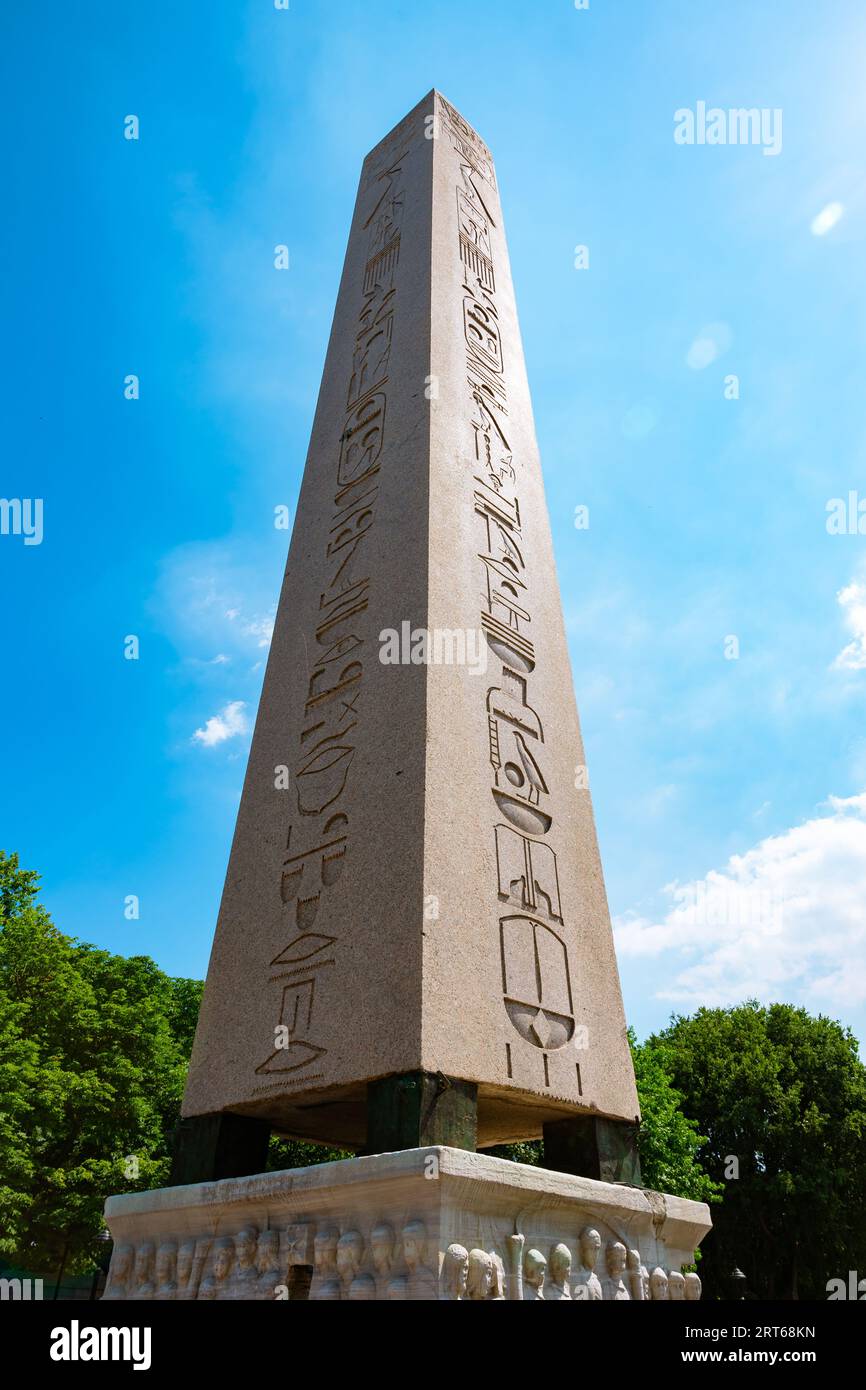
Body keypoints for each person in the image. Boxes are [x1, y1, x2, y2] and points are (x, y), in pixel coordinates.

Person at [572, 1227, 603, 1301]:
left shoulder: (596, 1279)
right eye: (591, 1248)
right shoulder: (576, 1277)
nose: (595, 1254)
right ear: (583, 1250)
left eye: (597, 1248)